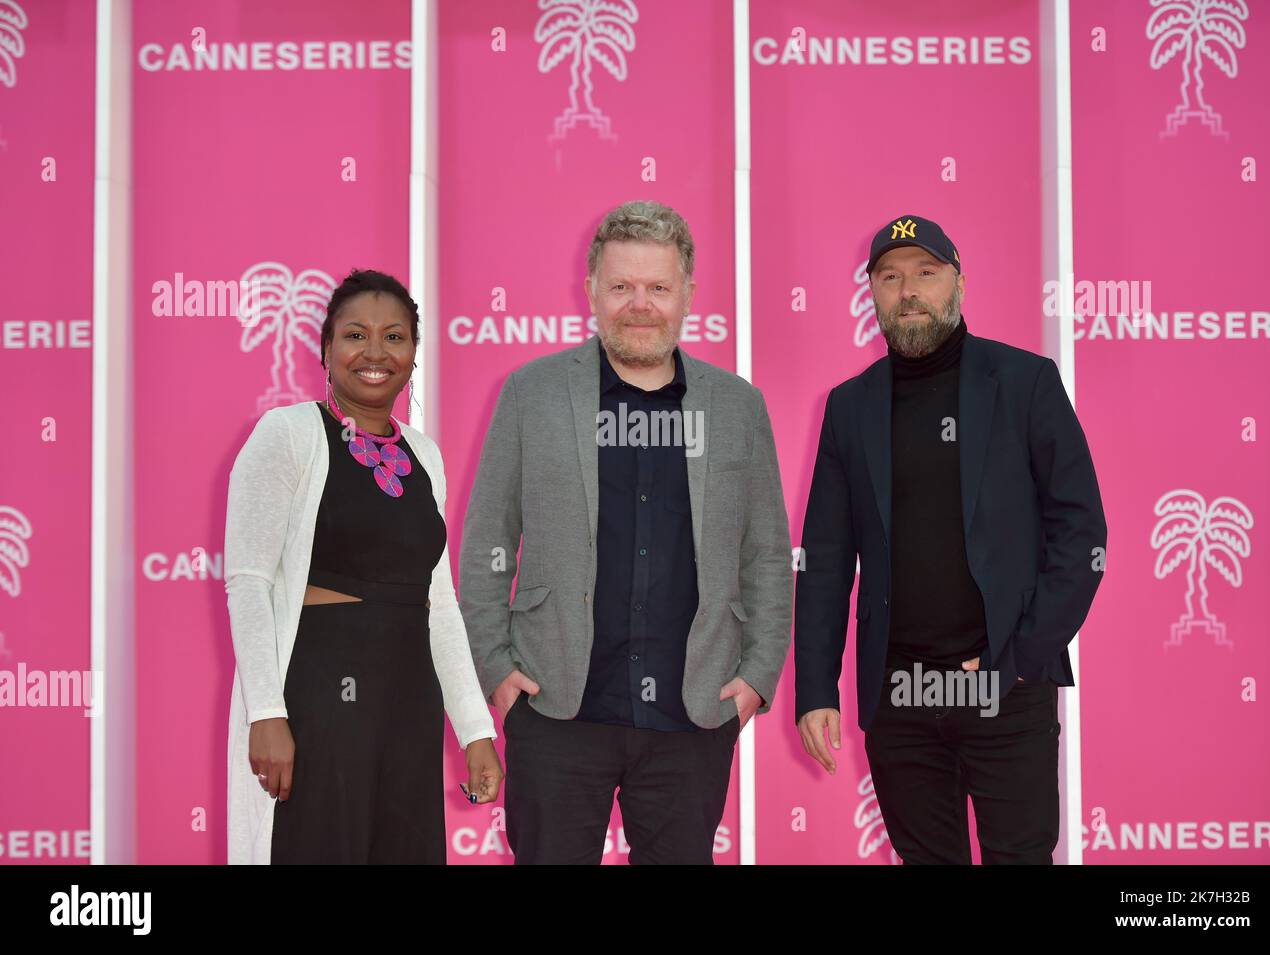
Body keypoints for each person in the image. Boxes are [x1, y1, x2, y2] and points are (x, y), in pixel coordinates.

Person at [459, 200, 792, 864]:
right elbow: (486, 541)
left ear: (688, 294)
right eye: (622, 286)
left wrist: (758, 672)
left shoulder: (737, 405)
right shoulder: (532, 392)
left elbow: (768, 554)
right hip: (556, 710)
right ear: (591, 291)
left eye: (658, 287)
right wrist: (496, 667)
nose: (640, 304)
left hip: (692, 714)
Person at [794, 215, 1106, 864]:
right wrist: (817, 688)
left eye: (926, 273)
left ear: (957, 282)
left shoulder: (1025, 383)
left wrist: (1020, 656)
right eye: (890, 276)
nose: (908, 290)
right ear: (872, 293)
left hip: (1005, 685)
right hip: (900, 695)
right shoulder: (848, 407)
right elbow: (825, 560)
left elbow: (1081, 533)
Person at [223, 269, 502, 864]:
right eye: (355, 335)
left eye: (394, 337)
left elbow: (440, 603)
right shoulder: (288, 434)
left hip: (408, 698)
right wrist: (266, 714)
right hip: (320, 695)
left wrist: (475, 729)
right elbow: (248, 582)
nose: (375, 352)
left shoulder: (423, 454)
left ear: (413, 353)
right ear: (326, 348)